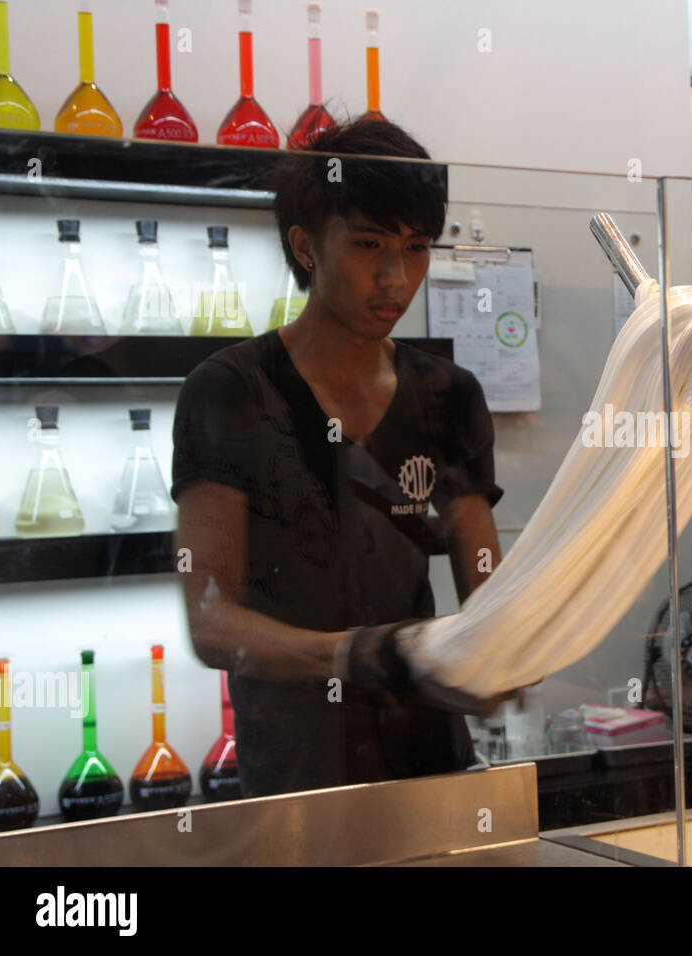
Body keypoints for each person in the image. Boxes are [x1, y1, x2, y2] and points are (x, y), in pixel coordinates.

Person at [171, 119, 504, 797]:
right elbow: (209, 620)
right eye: (368, 244)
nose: (395, 277)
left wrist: (507, 644)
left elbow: (485, 581)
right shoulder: (231, 390)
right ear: (305, 246)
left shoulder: (447, 393)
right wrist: (351, 655)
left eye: (416, 249)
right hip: (296, 772)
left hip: (428, 763)